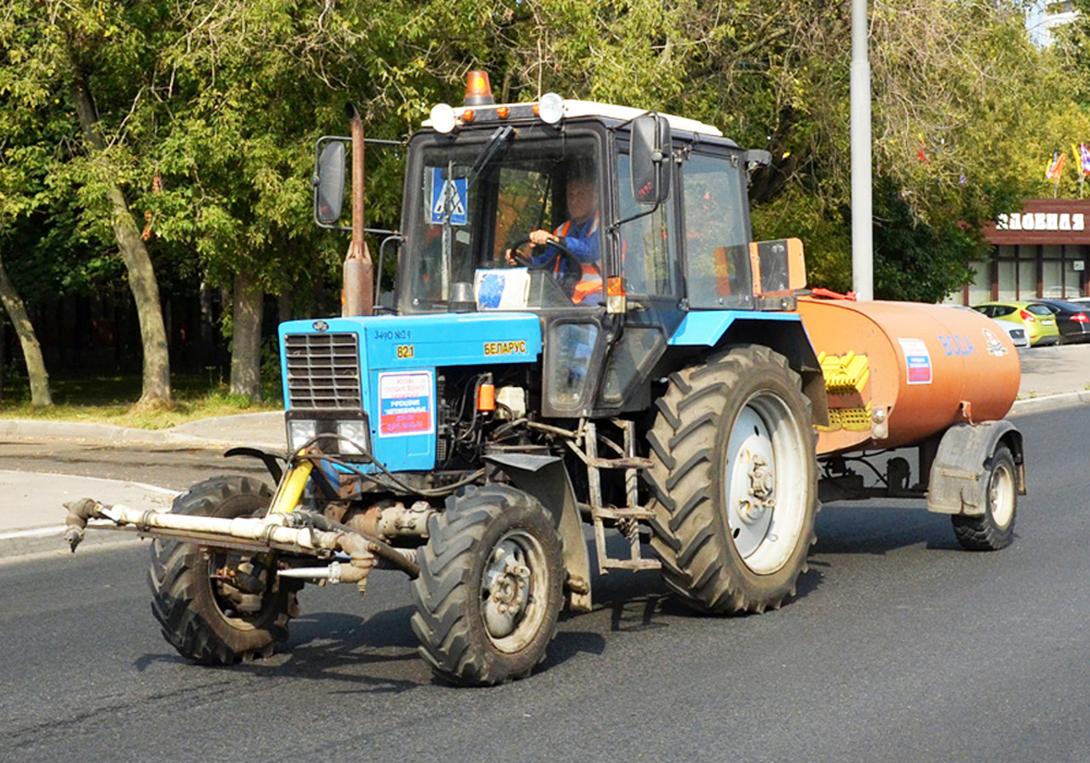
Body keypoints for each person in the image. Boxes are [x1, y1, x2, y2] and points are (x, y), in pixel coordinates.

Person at [506, 173, 602, 305]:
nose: (574, 201)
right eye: (571, 196)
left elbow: (590, 251)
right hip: (563, 298)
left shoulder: (607, 225)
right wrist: (524, 259)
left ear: (595, 197)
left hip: (597, 298)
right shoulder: (563, 230)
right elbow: (546, 263)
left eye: (581, 194)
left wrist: (558, 241)